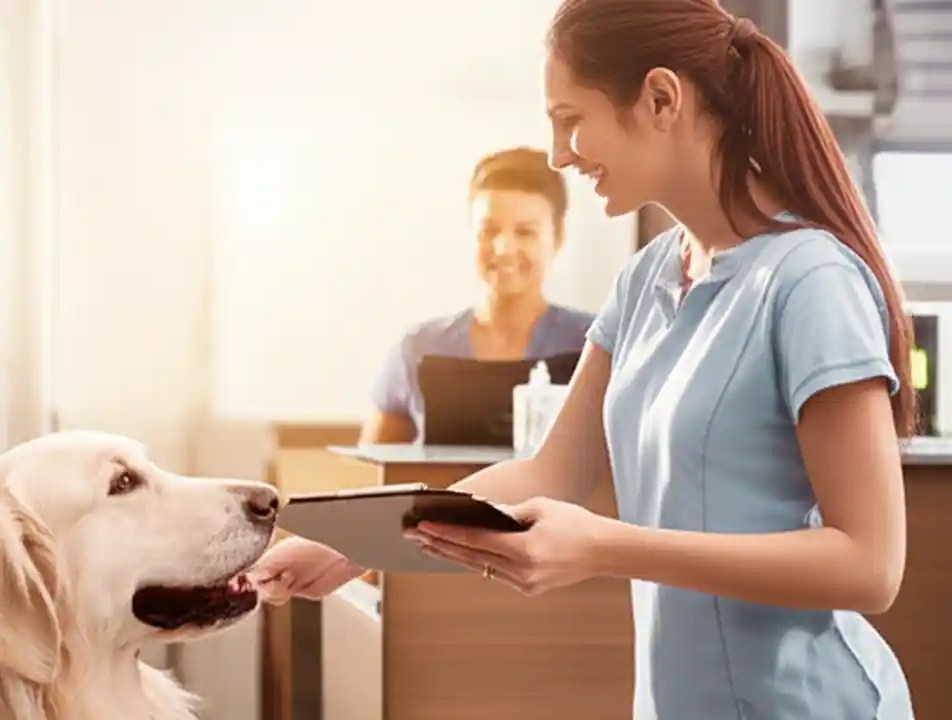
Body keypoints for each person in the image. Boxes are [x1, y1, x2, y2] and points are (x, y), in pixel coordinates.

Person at [249, 1, 918, 717]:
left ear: (661, 99)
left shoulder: (811, 283)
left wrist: (607, 548)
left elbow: (869, 566)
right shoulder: (648, 279)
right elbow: (550, 473)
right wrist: (355, 546)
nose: (559, 153)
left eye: (571, 118)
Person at [360, 147, 594, 444]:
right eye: (489, 230)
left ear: (558, 235)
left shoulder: (595, 345)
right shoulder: (418, 349)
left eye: (525, 232)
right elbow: (377, 476)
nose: (504, 248)